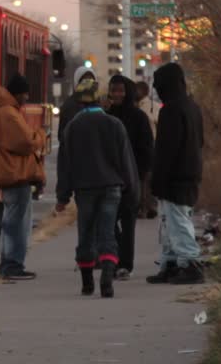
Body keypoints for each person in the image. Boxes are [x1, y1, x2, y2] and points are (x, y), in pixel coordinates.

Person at [56, 77, 139, 298]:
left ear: (81, 102)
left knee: (86, 233)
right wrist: (131, 189)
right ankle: (106, 282)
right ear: (99, 100)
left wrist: (62, 196)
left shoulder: (72, 127)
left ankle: (86, 283)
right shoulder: (114, 124)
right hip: (111, 187)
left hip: (85, 189)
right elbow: (125, 160)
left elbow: (65, 164)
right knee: (107, 233)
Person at [145, 63, 206, 286]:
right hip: (190, 171)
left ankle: (189, 263)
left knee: (176, 221)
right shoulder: (192, 106)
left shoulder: (170, 111)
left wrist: (158, 179)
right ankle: (171, 263)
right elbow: (199, 141)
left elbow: (165, 150)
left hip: (174, 177)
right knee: (170, 221)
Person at [0, 73, 47, 280]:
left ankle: (7, 264)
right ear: (18, 93)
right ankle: (12, 265)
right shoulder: (8, 114)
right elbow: (26, 143)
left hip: (8, 173)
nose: (26, 98)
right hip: (16, 175)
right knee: (17, 225)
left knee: (11, 222)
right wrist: (40, 135)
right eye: (25, 94)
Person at [106, 76, 153, 281]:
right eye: (113, 90)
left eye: (121, 90)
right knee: (109, 221)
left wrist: (142, 175)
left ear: (128, 92)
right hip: (109, 177)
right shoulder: (106, 116)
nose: (117, 95)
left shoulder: (139, 117)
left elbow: (147, 148)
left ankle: (125, 264)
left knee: (128, 222)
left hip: (132, 177)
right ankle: (114, 259)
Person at [135, 80, 159, 220]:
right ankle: (141, 206)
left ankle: (150, 207)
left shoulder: (153, 107)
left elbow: (158, 123)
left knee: (148, 178)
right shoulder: (133, 107)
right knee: (140, 178)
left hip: (151, 145)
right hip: (138, 145)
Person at [57, 66, 98, 143]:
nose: (88, 83)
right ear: (77, 83)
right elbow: (63, 135)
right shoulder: (69, 105)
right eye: (85, 80)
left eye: (91, 80)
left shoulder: (98, 104)